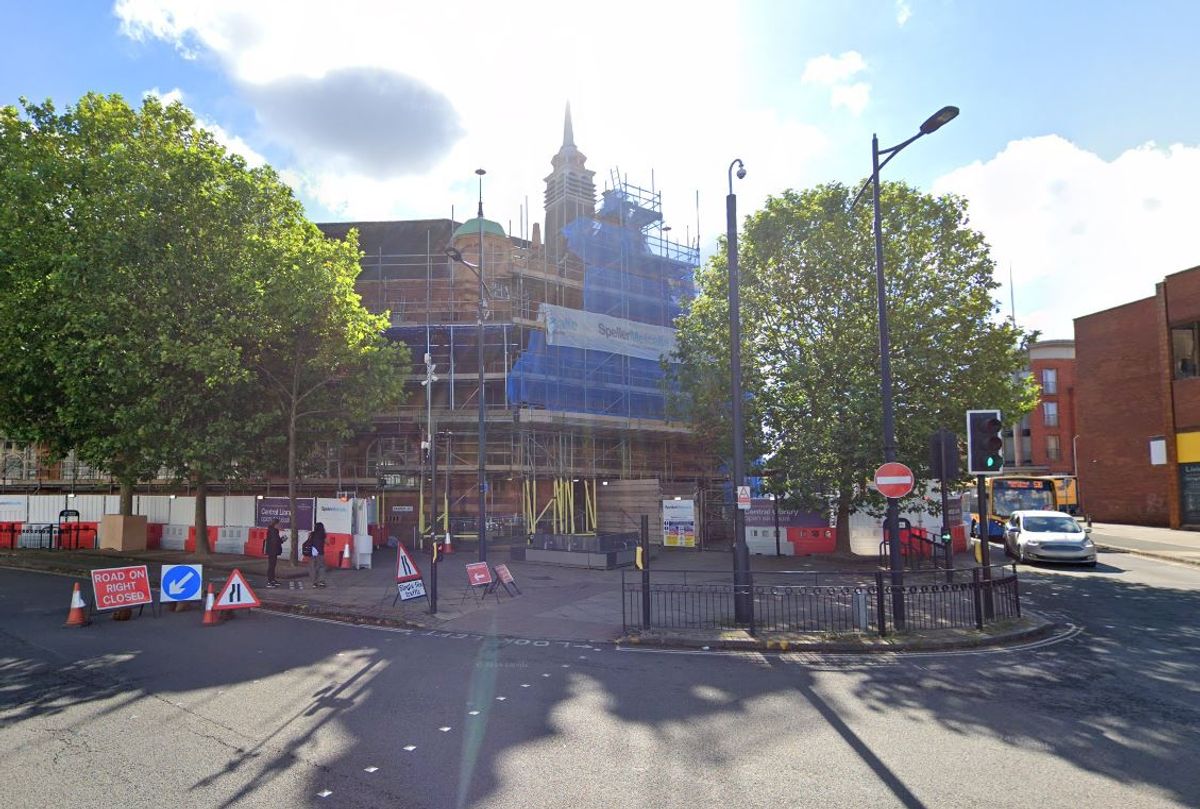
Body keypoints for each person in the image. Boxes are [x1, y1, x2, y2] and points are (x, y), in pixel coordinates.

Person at [304, 522, 328, 588]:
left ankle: (314, 582)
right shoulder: (323, 535)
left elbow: (308, 541)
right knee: (321, 567)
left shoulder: (312, 534)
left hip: (312, 553)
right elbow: (327, 542)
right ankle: (321, 581)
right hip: (320, 552)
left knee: (312, 567)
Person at [264, 519, 283, 588]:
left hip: (272, 550)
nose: (280, 525)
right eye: (279, 524)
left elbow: (275, 541)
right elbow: (275, 541)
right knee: (271, 566)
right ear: (276, 524)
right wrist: (281, 540)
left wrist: (280, 540)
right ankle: (269, 581)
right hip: (272, 551)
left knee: (273, 565)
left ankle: (272, 580)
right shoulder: (273, 531)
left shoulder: (273, 530)